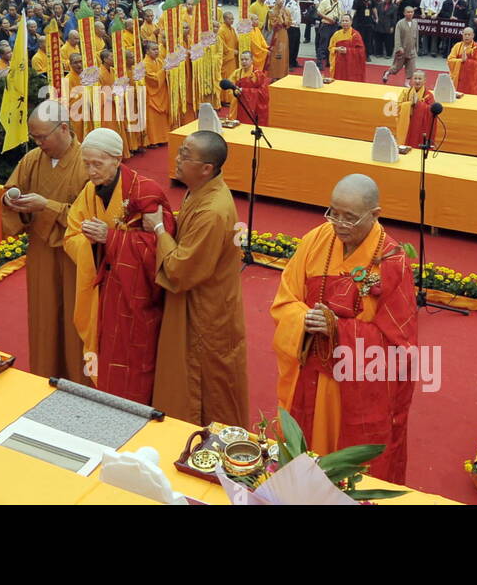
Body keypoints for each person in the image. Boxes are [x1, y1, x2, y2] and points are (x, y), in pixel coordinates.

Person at [269, 174, 417, 484]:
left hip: (354, 382)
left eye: (349, 217)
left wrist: (338, 329)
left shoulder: (392, 262)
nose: (339, 223)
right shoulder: (316, 240)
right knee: (304, 454)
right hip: (310, 370)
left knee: (346, 467)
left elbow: (398, 342)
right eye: (333, 212)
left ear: (375, 214)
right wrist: (305, 320)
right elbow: (285, 300)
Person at [143, 131, 249, 427]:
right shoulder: (200, 190)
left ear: (207, 168)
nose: (177, 159)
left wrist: (158, 230)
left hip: (206, 310)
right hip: (199, 299)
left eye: (185, 156)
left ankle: (212, 444)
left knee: (207, 384)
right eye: (179, 152)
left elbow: (180, 269)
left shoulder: (213, 210)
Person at [63, 128, 174, 404]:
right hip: (104, 289)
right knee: (105, 350)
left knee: (133, 357)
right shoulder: (91, 190)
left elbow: (160, 247)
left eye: (97, 164)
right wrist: (88, 242)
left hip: (135, 295)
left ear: (117, 159)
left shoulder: (145, 191)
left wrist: (110, 237)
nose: (91, 171)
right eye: (86, 163)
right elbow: (71, 234)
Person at [1, 101, 89, 382]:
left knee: (76, 319)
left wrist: (46, 205)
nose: (39, 143)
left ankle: (80, 379)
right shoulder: (32, 159)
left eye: (43, 137)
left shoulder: (88, 160)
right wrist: (11, 197)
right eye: (34, 138)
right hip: (41, 251)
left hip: (75, 253)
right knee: (44, 316)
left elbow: (91, 217)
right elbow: (12, 188)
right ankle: (44, 375)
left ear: (64, 128)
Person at [395, 70, 437, 150]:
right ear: (411, 80)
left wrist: (418, 104)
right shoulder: (405, 92)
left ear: (424, 80)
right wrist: (409, 105)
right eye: (415, 78)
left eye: (420, 79)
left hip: (421, 127)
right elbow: (398, 107)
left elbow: (432, 112)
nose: (417, 81)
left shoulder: (428, 95)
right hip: (407, 124)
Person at [229, 49, 270, 125]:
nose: (244, 62)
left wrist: (244, 91)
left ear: (252, 61)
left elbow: (264, 93)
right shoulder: (237, 73)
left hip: (253, 106)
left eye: (246, 59)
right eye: (242, 59)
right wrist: (234, 92)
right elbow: (230, 88)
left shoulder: (258, 75)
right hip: (239, 104)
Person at [142, 41, 171, 146]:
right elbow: (152, 78)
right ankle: (153, 140)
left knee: (161, 118)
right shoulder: (145, 64)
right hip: (152, 95)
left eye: (157, 49)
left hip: (161, 93)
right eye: (153, 49)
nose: (156, 51)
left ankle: (164, 137)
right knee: (153, 119)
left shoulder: (159, 61)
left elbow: (166, 72)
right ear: (147, 51)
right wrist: (164, 71)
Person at [382, 5, 420, 84]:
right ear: (404, 13)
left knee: (411, 67)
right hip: (402, 50)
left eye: (411, 12)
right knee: (397, 67)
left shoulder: (415, 23)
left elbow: (416, 36)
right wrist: (399, 47)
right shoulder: (400, 23)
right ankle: (387, 73)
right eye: (408, 12)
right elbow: (397, 37)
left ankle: (407, 82)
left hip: (412, 50)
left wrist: (416, 48)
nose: (410, 14)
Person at [328, 14, 367, 82]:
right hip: (339, 64)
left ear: (351, 22)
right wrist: (337, 49)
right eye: (343, 21)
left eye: (346, 21)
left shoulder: (355, 35)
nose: (344, 23)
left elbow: (361, 51)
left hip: (351, 65)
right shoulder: (336, 34)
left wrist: (347, 50)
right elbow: (330, 48)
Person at [447, 26, 477, 95]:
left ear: (473, 36)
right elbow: (450, 60)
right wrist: (461, 60)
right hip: (458, 79)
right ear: (462, 35)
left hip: (471, 80)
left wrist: (467, 61)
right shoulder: (457, 46)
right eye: (465, 34)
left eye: (469, 35)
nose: (467, 36)